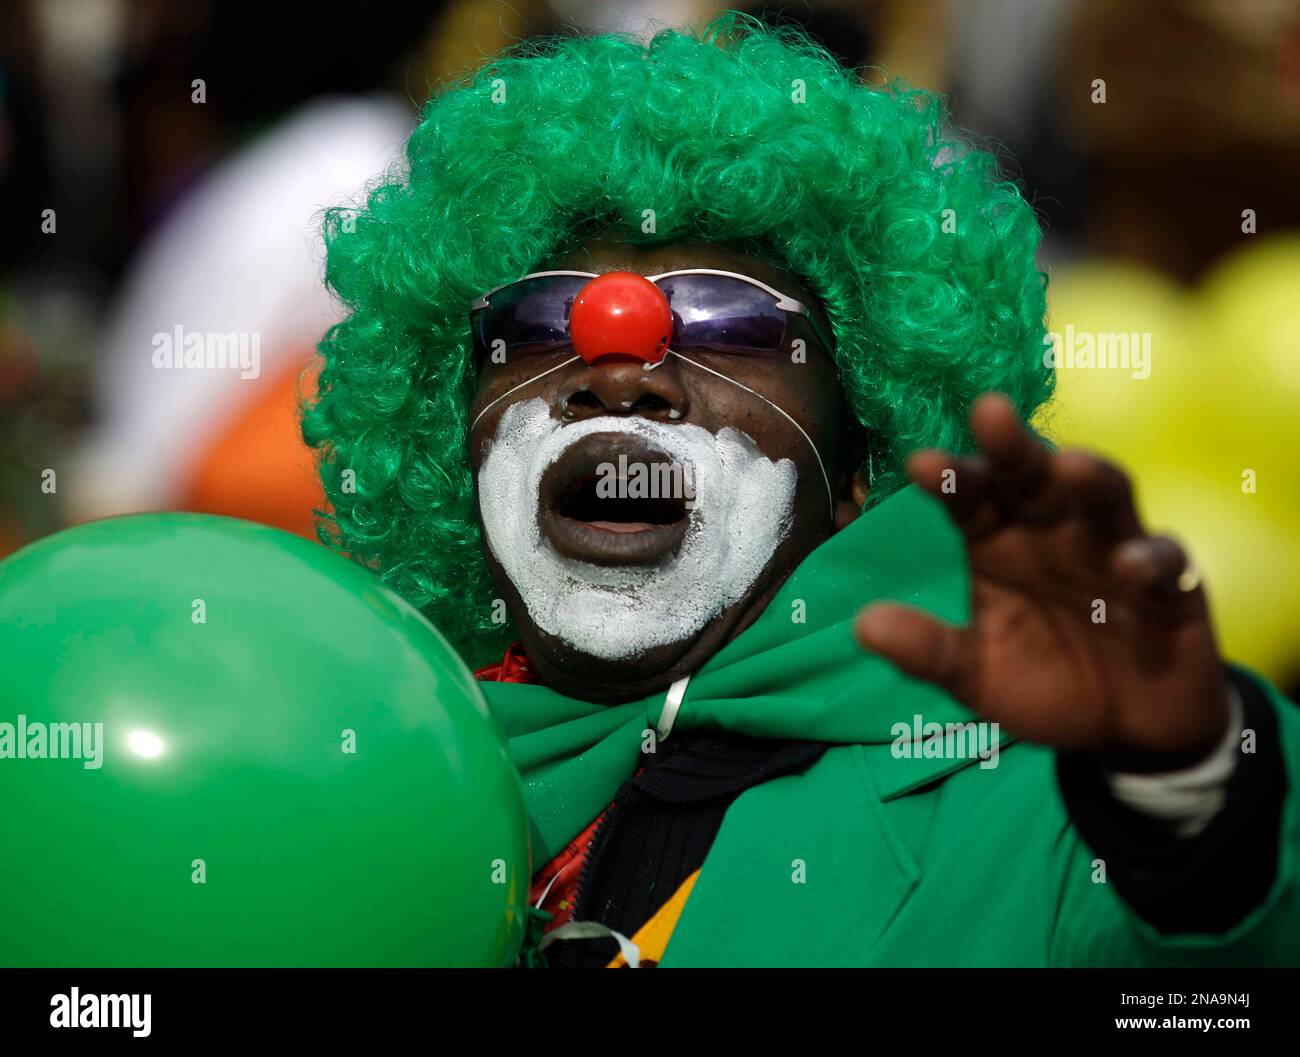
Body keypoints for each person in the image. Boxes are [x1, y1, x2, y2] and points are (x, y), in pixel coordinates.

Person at [303, 16, 1299, 967]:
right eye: (532, 322)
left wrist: (1189, 787)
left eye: (732, 324)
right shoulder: (363, 789)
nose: (617, 361)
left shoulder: (1036, 800)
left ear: (858, 464)